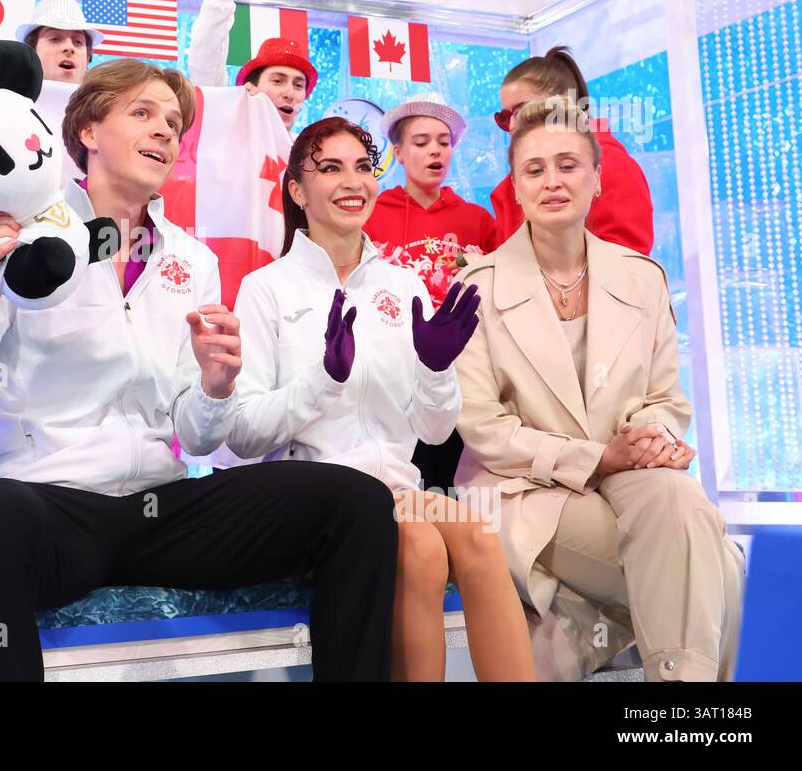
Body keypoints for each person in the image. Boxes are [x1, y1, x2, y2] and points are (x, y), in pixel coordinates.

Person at [0, 60, 400, 681]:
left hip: (163, 513)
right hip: (56, 512)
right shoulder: (21, 249)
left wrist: (215, 390)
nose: (165, 132)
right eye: (142, 113)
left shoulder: (193, 258)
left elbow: (203, 437)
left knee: (357, 502)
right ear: (87, 132)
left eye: (174, 122)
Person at [226, 116, 534, 681]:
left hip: (396, 488)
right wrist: (321, 378)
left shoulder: (403, 287)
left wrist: (439, 369)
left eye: (364, 168)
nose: (353, 182)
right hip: (312, 497)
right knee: (419, 547)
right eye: (331, 168)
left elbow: (436, 432)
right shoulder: (265, 288)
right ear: (296, 190)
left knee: (479, 536)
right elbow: (243, 434)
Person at [455, 97, 744, 682]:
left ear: (596, 177)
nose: (552, 181)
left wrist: (653, 440)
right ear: (514, 186)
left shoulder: (643, 277)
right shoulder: (476, 286)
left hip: (630, 473)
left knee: (682, 503)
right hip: (524, 487)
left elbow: (667, 398)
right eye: (534, 170)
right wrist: (595, 458)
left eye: (568, 165)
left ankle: (607, 649)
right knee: (720, 566)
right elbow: (484, 427)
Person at [365, 91, 500, 493]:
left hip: (464, 377)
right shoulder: (371, 215)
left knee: (458, 484)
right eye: (421, 143)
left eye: (443, 142)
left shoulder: (477, 220)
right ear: (399, 153)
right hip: (394, 376)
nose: (434, 152)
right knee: (402, 487)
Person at [490, 46, 654, 254]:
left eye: (522, 110)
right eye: (504, 117)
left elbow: (626, 261)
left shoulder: (610, 161)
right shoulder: (513, 180)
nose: (512, 125)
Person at [186, 0, 314, 134]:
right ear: (250, 89)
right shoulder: (223, 130)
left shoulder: (305, 155)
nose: (290, 93)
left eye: (299, 85)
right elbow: (206, 58)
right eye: (277, 80)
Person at [14, 0, 104, 84]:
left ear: (87, 59)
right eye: (55, 39)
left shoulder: (105, 97)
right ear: (31, 54)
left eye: (78, 41)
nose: (69, 47)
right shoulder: (6, 96)